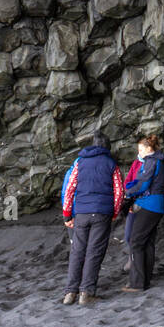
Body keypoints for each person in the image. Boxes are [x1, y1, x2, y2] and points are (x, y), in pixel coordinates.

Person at [60, 130, 124, 305]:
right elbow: (119, 192)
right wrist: (114, 212)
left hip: (81, 213)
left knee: (77, 251)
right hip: (102, 213)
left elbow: (70, 189)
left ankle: (70, 293)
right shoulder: (111, 164)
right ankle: (86, 293)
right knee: (94, 252)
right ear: (107, 146)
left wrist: (67, 215)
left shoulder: (80, 163)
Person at [121, 134, 164, 292]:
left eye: (141, 149)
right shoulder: (160, 162)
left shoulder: (150, 162)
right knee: (147, 242)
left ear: (149, 149)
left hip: (148, 206)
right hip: (157, 205)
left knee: (136, 242)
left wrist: (127, 193)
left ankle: (137, 283)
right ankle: (145, 280)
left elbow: (142, 184)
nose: (139, 153)